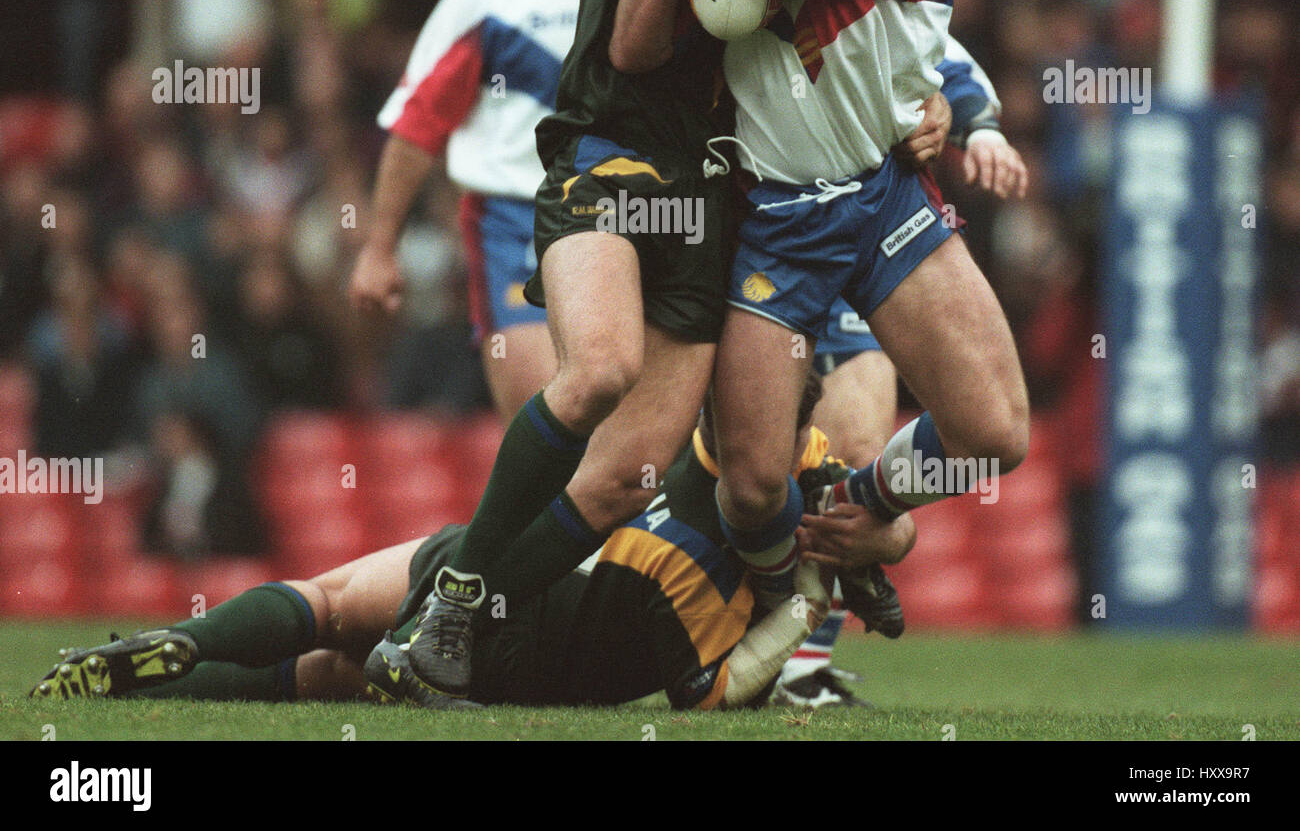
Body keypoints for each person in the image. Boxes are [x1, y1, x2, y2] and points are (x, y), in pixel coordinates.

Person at [403, 0, 886, 700]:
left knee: (628, 475)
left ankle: (446, 622)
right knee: (597, 370)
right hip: (611, 170)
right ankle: (458, 592)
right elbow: (633, 47)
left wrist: (938, 114)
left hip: (709, 212)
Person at [598, 0, 1031, 615]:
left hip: (882, 199)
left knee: (995, 433)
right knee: (754, 488)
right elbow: (633, 51)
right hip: (773, 217)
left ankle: (859, 504)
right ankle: (780, 600)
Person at [30, 375, 916, 712]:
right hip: (534, 661)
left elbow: (878, 515)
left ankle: (178, 646)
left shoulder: (701, 452)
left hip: (507, 562)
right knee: (324, 677)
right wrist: (811, 597)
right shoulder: (724, 548)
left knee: (331, 605)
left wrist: (873, 549)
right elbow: (713, 693)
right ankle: (169, 678)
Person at [349, 0, 622, 421]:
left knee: (636, 454)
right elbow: (419, 121)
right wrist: (380, 247)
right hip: (517, 222)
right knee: (549, 430)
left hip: (640, 217)